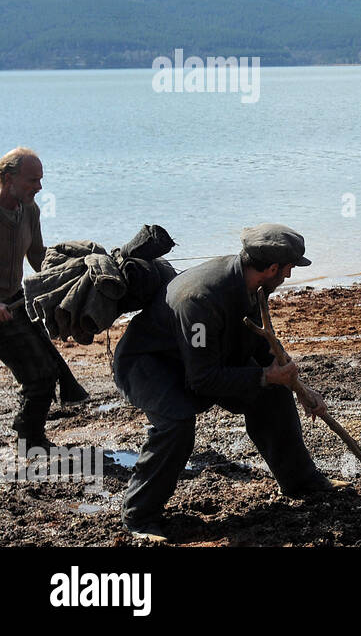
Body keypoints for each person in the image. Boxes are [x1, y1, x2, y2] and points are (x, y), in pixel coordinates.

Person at [114, 224, 341, 540]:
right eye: (288, 268)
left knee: (273, 393)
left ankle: (301, 481)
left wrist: (296, 386)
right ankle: (139, 517)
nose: (289, 276)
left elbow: (258, 345)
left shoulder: (249, 285)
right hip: (150, 365)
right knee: (177, 426)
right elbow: (203, 380)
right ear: (272, 268)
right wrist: (264, 375)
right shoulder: (200, 300)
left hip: (200, 359)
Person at [0, 147, 88, 454]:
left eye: (41, 180)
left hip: (13, 305)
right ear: (8, 178)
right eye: (32, 180)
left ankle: (29, 439)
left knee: (44, 371)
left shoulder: (30, 210)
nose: (39, 187)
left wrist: (69, 276)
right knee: (39, 374)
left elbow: (38, 257)